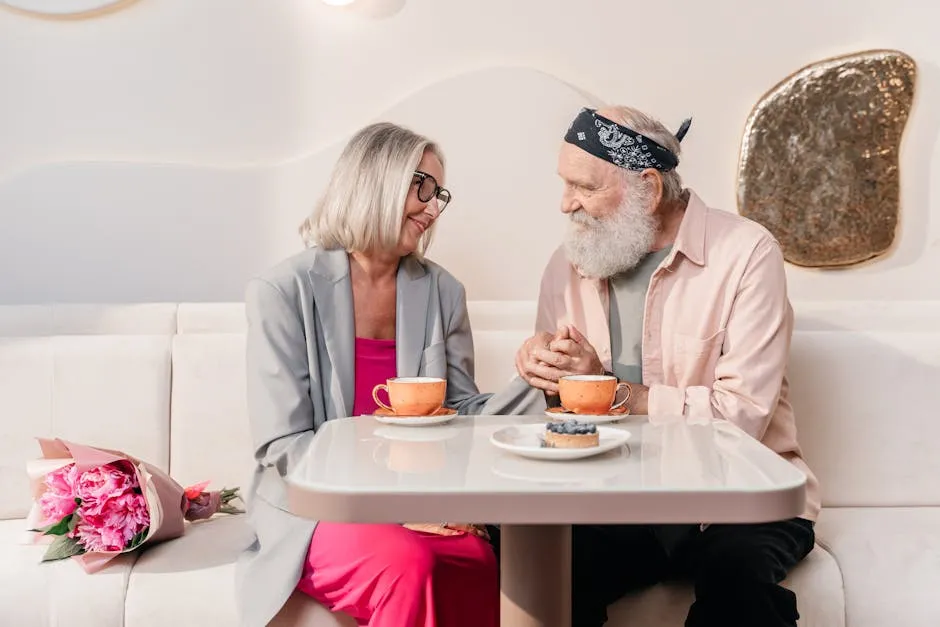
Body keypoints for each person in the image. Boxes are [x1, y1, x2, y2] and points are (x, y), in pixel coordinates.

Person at [514, 105, 821, 627]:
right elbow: (567, 421)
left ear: (649, 188)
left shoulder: (747, 254)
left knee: (738, 584)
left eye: (585, 187)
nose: (567, 204)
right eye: (565, 185)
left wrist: (610, 390)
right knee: (544, 570)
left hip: (738, 496)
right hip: (620, 502)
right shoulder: (566, 265)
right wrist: (546, 375)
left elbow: (740, 417)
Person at [237, 122, 527, 627]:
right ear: (377, 179)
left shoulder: (444, 292)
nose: (433, 208)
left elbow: (460, 415)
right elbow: (283, 445)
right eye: (423, 188)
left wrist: (535, 383)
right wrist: (388, 504)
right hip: (314, 509)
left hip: (419, 501)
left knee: (477, 562)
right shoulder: (282, 291)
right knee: (405, 564)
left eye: (440, 195)